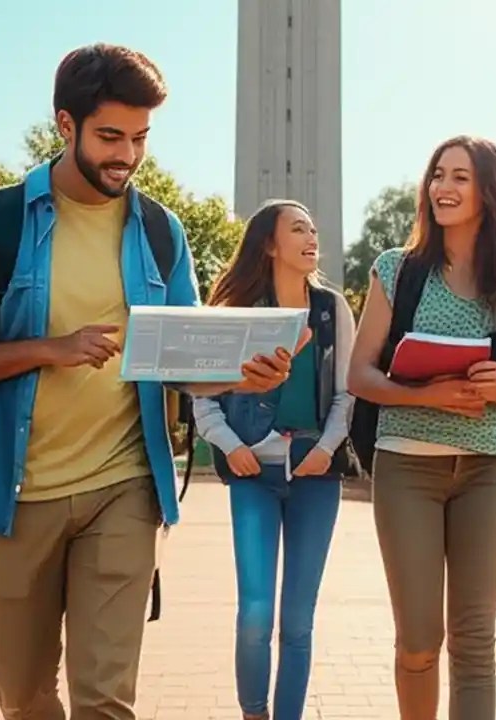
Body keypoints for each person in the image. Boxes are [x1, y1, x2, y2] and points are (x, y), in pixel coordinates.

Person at [0, 43, 304, 719]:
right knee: (26, 693)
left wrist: (242, 370)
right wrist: (46, 349)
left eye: (141, 138)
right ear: (66, 125)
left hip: (122, 488)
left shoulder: (158, 231)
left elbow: (179, 355)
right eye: (111, 136)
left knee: (106, 699)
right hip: (11, 492)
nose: (127, 155)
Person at [346, 135, 496, 720]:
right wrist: (426, 391)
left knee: (475, 641)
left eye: (460, 176)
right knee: (418, 641)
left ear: (489, 191)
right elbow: (359, 375)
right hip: (407, 467)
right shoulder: (395, 270)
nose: (443, 187)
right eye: (437, 174)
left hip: (489, 470)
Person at [192, 200, 355, 720]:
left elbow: (346, 394)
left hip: (315, 475)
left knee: (299, 622)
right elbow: (201, 395)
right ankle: (253, 713)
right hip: (251, 475)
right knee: (255, 614)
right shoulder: (238, 310)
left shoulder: (332, 310)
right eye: (298, 228)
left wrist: (326, 450)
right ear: (269, 243)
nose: (312, 236)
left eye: (313, 227)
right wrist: (230, 445)